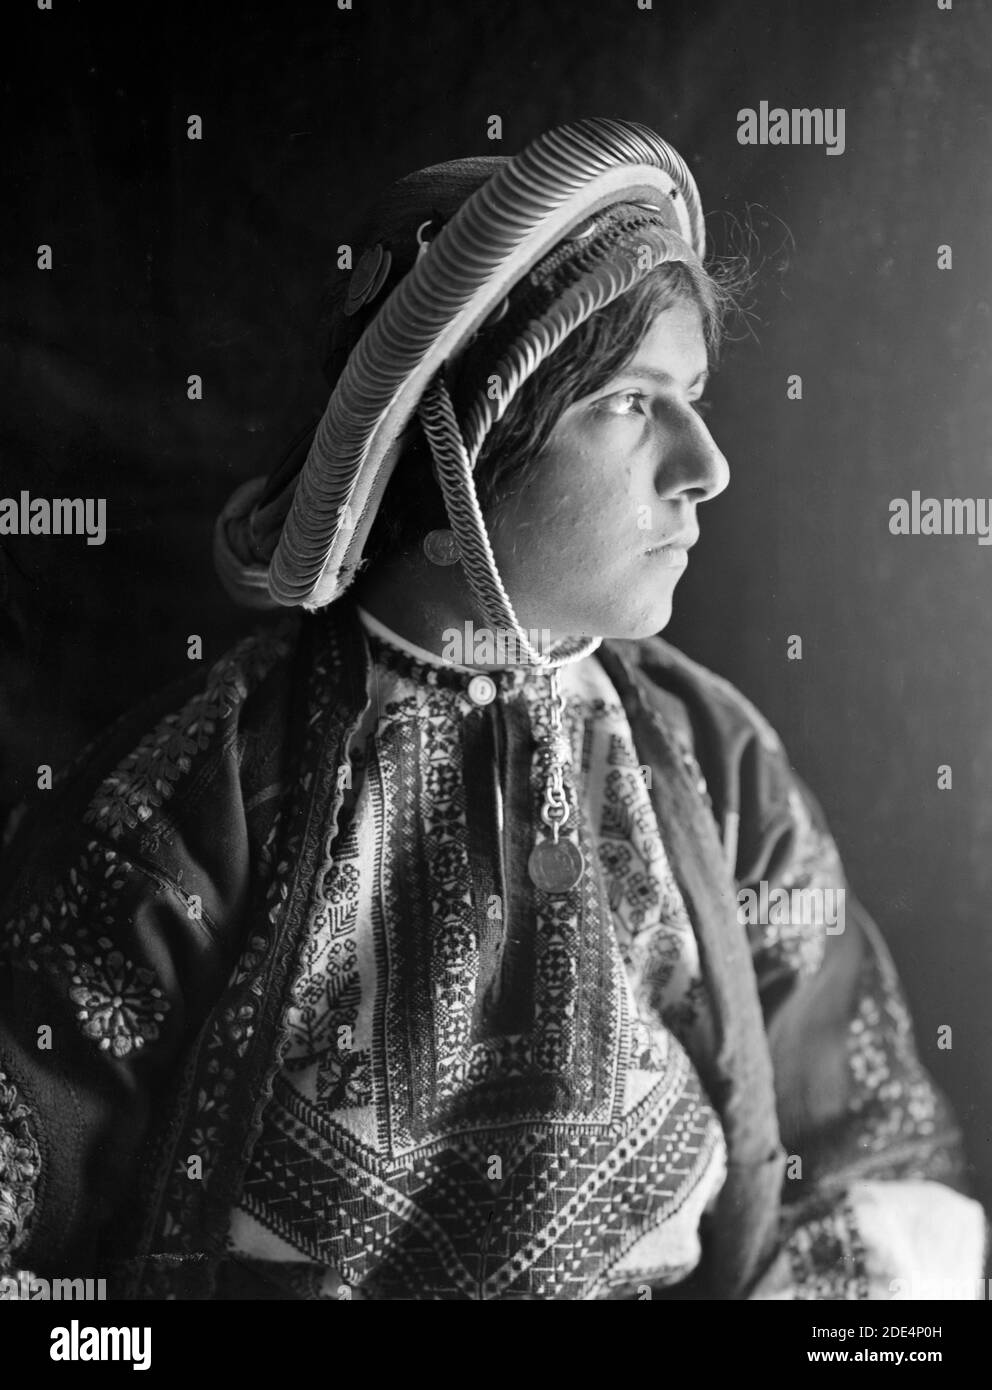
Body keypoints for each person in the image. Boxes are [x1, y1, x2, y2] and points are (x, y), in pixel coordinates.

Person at [0, 118, 985, 1301]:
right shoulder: (193, 793)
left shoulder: (710, 760)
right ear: (455, 445)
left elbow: (861, 1154)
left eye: (693, 396)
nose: (706, 462)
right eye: (628, 403)